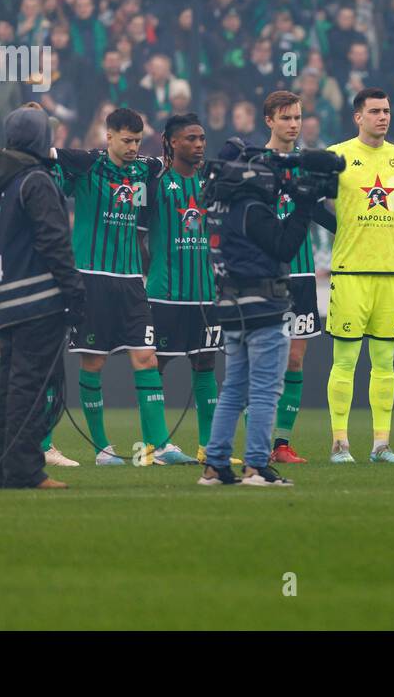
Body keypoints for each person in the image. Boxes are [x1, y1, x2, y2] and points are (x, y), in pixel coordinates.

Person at [51, 107, 196, 466]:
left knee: (146, 358)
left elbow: (178, 161)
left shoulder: (145, 169)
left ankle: (159, 446)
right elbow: (45, 156)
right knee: (94, 362)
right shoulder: (87, 165)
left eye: (137, 140)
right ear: (109, 136)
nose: (133, 147)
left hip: (132, 282)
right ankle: (102, 449)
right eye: (127, 140)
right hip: (92, 280)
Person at [198, 140, 325, 488]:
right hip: (263, 306)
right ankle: (255, 465)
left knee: (234, 389)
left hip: (231, 307)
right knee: (267, 389)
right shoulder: (252, 208)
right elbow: (284, 246)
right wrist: (303, 206)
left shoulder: (219, 206)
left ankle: (215, 465)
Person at [0, 106, 85, 490]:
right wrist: (75, 290)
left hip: (5, 298)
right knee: (31, 387)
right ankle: (25, 471)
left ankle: (2, 471)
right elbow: (55, 241)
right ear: (39, 139)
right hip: (39, 297)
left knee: (9, 386)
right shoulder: (35, 180)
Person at [324, 88, 394, 462]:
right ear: (358, 117)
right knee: (345, 361)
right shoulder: (337, 156)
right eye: (374, 111)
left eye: (386, 111)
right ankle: (340, 443)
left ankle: (380, 445)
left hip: (390, 272)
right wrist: (337, 228)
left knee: (384, 364)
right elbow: (311, 200)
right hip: (351, 271)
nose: (383, 117)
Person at [139, 114, 222, 465]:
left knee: (206, 365)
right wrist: (153, 271)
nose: (199, 144)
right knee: (154, 364)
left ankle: (209, 447)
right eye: (191, 138)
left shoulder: (213, 182)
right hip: (164, 294)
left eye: (202, 138)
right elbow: (139, 237)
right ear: (171, 142)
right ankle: (153, 447)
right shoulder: (156, 181)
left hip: (206, 294)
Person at [261, 91, 338, 464]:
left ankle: (281, 443)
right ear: (269, 121)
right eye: (286, 117)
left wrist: (352, 230)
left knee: (295, 357)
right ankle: (255, 441)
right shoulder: (255, 163)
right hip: (263, 275)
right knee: (260, 358)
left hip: (303, 273)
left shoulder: (307, 166)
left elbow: (320, 212)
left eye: (297, 117)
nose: (293, 124)